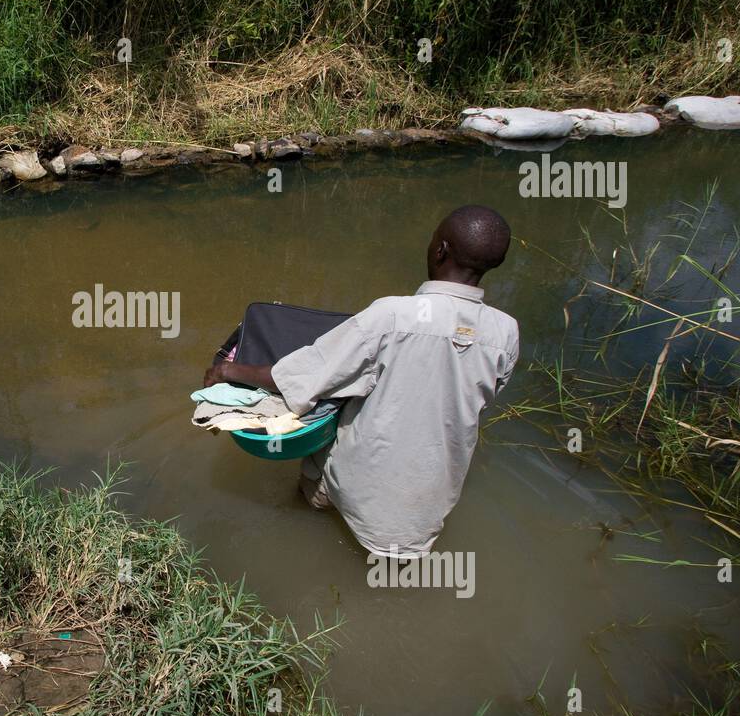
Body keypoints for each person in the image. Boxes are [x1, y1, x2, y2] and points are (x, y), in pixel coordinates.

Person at [202, 204, 519, 558]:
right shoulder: (505, 332)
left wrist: (226, 371)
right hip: (418, 512)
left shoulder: (391, 315)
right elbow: (478, 397)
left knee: (306, 514)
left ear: (440, 249)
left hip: (350, 481)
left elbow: (304, 375)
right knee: (392, 585)